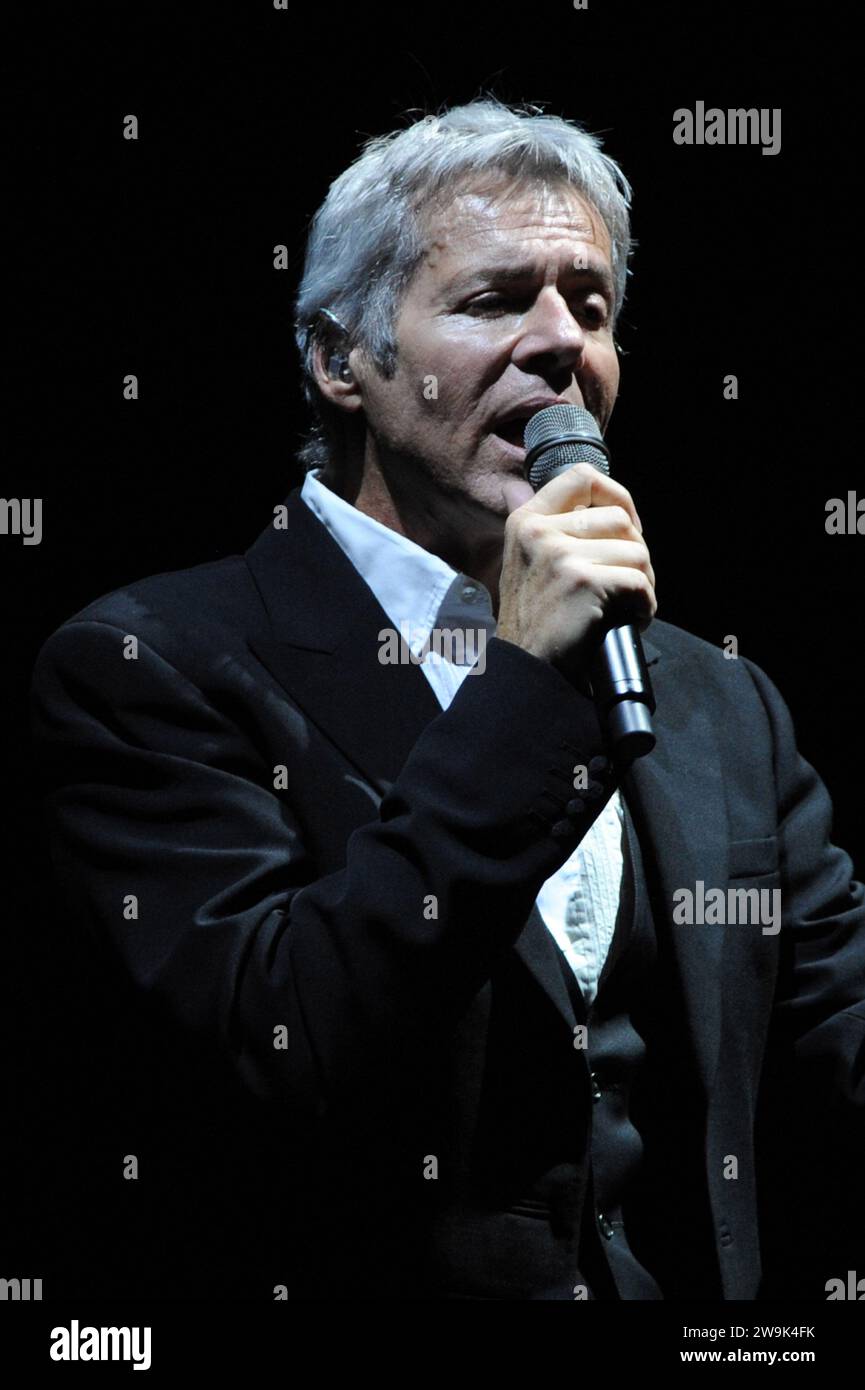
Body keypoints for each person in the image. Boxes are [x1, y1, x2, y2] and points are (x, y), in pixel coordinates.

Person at [30, 98, 864, 1301]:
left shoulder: (714, 692)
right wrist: (525, 690)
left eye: (590, 305)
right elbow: (281, 1042)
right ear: (338, 360)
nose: (559, 343)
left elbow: (828, 1053)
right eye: (490, 301)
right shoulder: (149, 665)